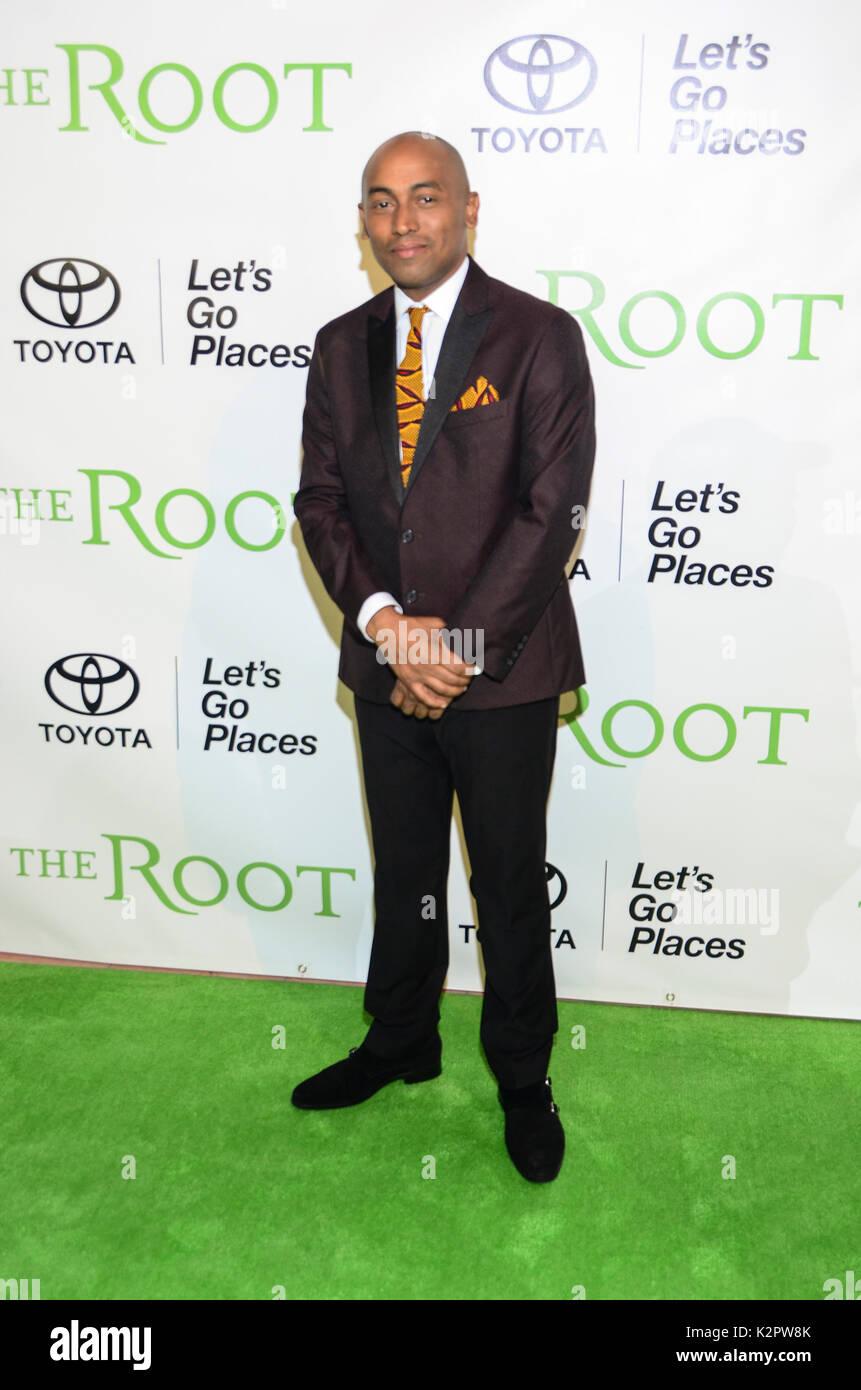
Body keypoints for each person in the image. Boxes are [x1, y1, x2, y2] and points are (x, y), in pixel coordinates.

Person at [292, 131, 595, 1183]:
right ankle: (399, 1039)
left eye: (425, 199)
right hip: (387, 660)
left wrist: (449, 647)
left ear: (471, 210)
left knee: (507, 880)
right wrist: (386, 624)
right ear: (364, 222)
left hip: (500, 672)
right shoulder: (340, 345)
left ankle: (521, 1074)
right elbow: (321, 503)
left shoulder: (539, 336)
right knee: (408, 872)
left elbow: (549, 510)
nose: (402, 221)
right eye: (381, 202)